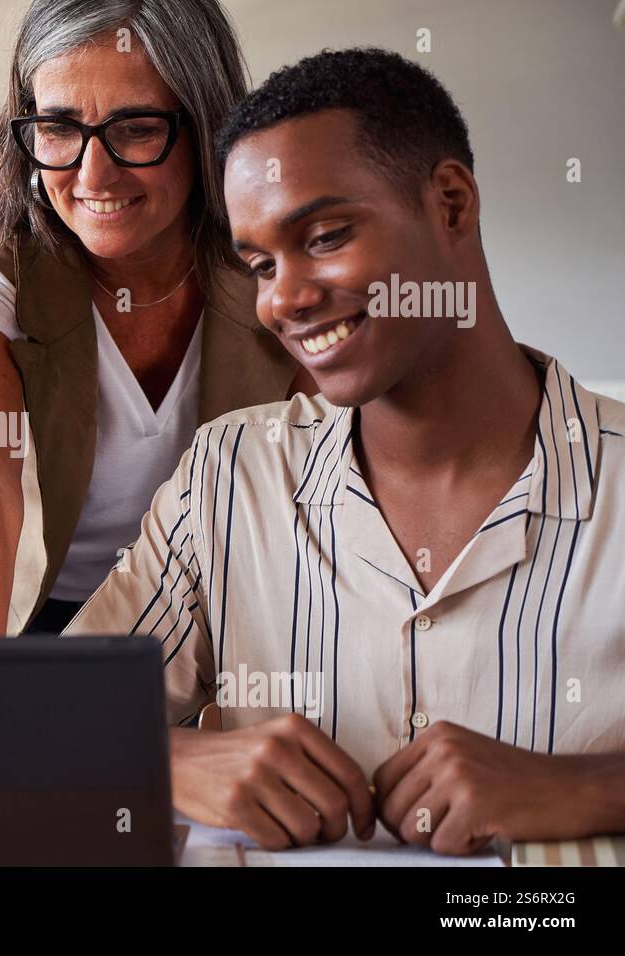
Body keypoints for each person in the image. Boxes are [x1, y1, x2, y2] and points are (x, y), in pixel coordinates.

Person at [66, 48, 625, 856]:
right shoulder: (229, 478)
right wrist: (164, 756)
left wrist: (584, 787)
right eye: (259, 265)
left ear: (453, 205)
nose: (282, 299)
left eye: (324, 236)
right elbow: (25, 726)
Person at [0, 0, 314, 637]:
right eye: (59, 128)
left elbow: (333, 465)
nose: (94, 174)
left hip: (185, 613)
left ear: (206, 126)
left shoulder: (270, 263)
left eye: (137, 128)